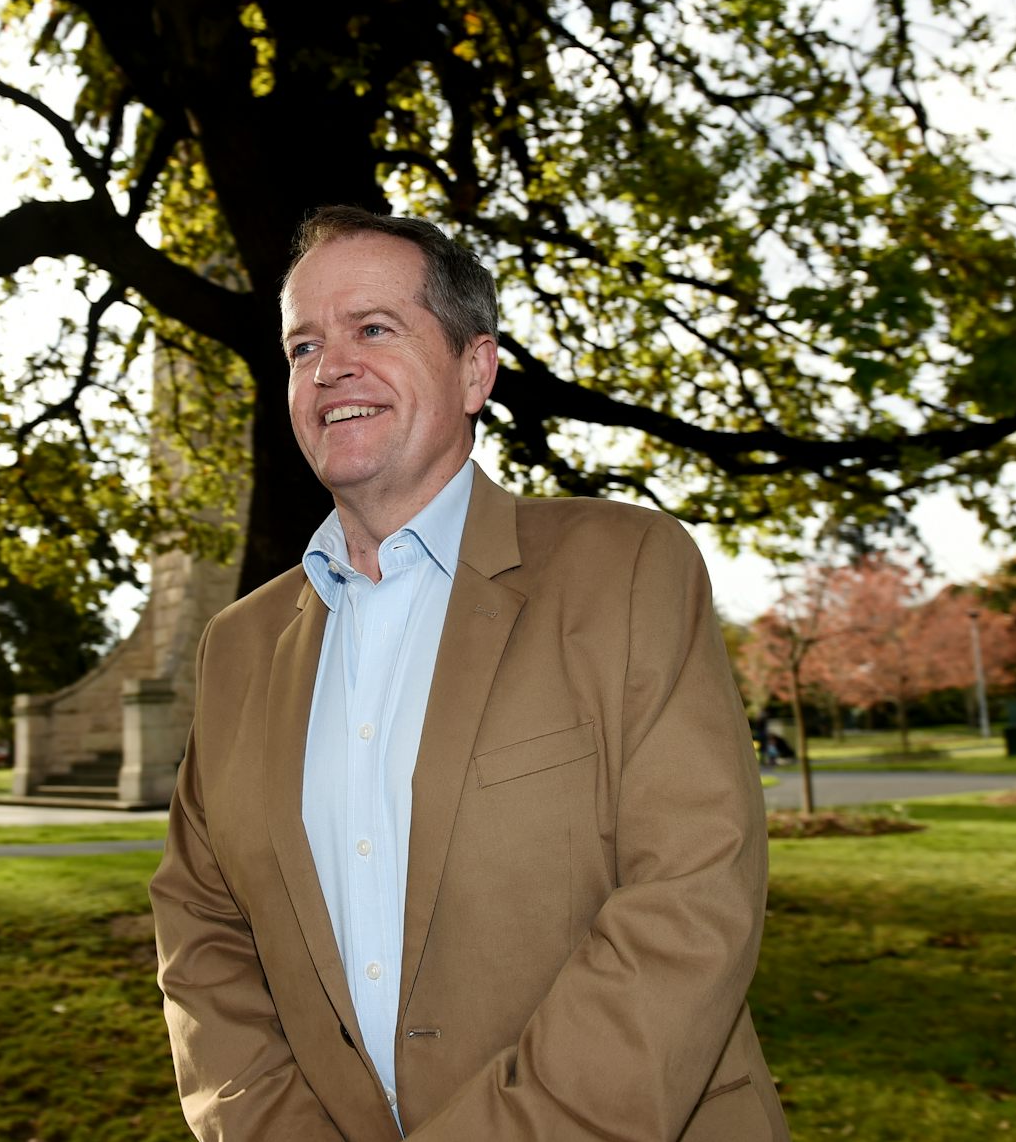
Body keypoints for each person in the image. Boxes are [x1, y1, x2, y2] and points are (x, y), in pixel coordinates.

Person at [148, 207, 789, 1141]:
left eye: (374, 329)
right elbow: (202, 932)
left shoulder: (627, 569)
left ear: (476, 371)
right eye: (304, 345)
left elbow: (691, 898)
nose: (332, 367)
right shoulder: (237, 647)